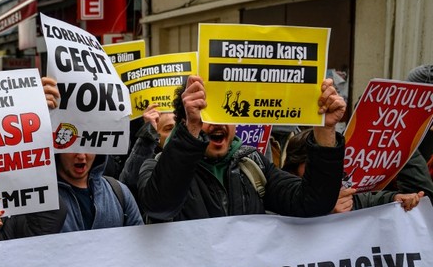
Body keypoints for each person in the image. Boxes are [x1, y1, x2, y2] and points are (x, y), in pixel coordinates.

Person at [136, 76, 346, 221]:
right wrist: (192, 126)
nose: (218, 124)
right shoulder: (155, 168)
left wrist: (325, 130)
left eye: (225, 114)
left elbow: (312, 203)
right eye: (207, 115)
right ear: (186, 120)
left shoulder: (252, 164)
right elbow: (160, 207)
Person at [283, 129, 424, 213]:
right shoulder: (284, 194)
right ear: (294, 165)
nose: (325, 170)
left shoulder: (343, 190)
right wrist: (323, 210)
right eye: (314, 165)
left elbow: (366, 199)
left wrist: (394, 199)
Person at [119, 104, 176, 201]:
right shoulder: (148, 165)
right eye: (169, 129)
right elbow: (130, 183)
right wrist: (147, 137)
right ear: (156, 136)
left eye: (177, 127)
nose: (174, 133)